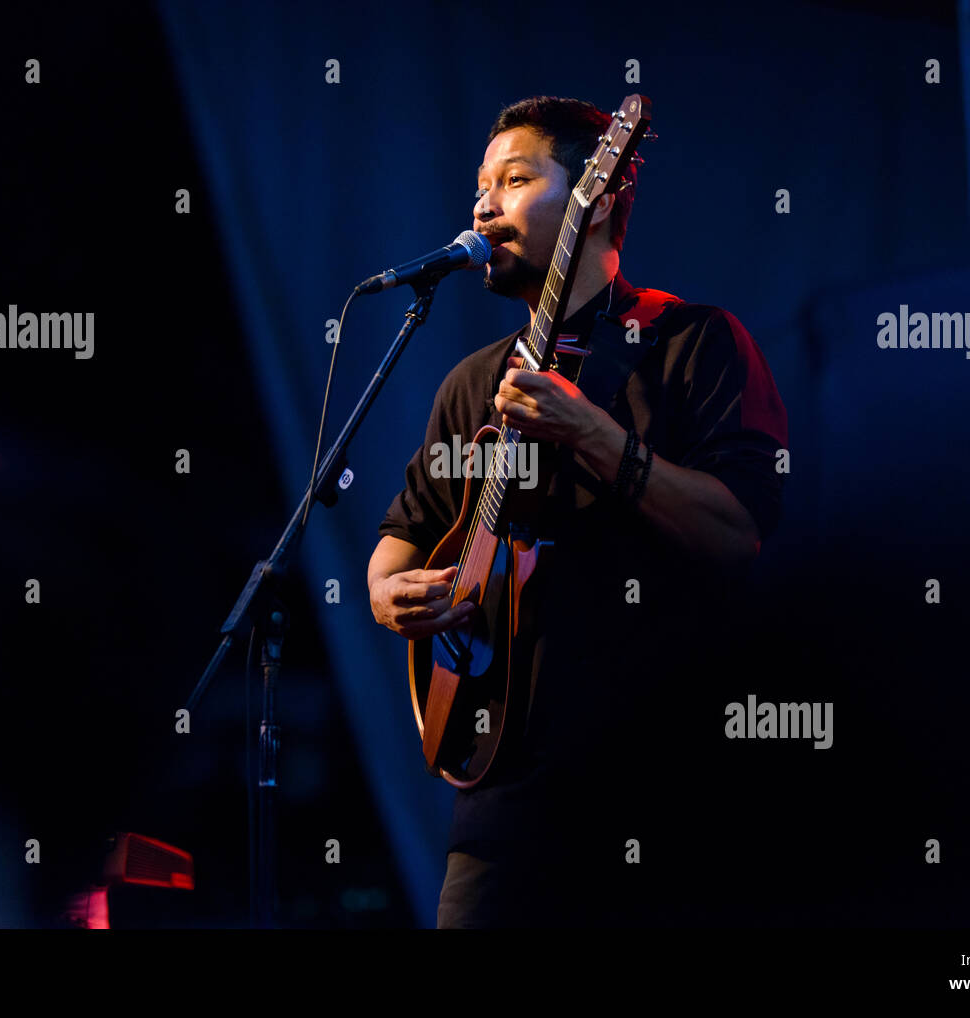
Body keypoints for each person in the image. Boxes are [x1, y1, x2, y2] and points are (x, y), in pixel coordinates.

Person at [367, 96, 789, 927]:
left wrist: (589, 431)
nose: (484, 204)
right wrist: (391, 595)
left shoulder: (694, 342)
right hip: (500, 797)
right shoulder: (471, 383)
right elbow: (400, 536)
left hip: (663, 784)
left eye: (516, 179)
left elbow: (737, 534)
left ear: (599, 197)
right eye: (479, 186)